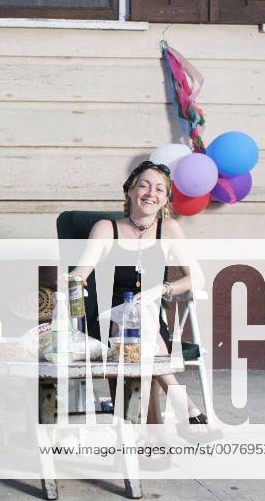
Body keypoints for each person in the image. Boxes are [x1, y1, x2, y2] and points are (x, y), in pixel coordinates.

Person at [67, 160, 211, 426]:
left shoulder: (168, 230)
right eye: (143, 185)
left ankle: (147, 442)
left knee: (142, 319)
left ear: (165, 200)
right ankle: (183, 406)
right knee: (134, 320)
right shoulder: (105, 228)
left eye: (159, 189)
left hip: (152, 323)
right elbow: (80, 273)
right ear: (130, 191)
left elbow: (197, 278)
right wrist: (69, 281)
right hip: (108, 322)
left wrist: (161, 289)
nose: (150, 193)